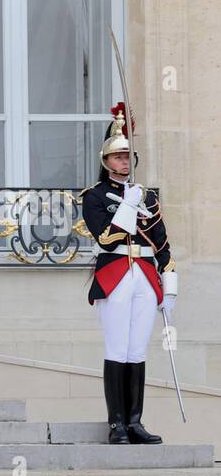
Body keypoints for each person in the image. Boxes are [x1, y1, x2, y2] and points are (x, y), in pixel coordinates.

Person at [81, 103, 177, 445]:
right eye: (117, 157)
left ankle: (135, 422)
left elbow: (163, 245)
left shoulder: (147, 197)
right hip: (116, 272)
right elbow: (105, 237)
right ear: (106, 161)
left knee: (137, 350)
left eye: (127, 157)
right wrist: (126, 205)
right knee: (117, 347)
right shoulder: (94, 196)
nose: (124, 161)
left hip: (146, 275)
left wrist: (172, 291)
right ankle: (116, 423)